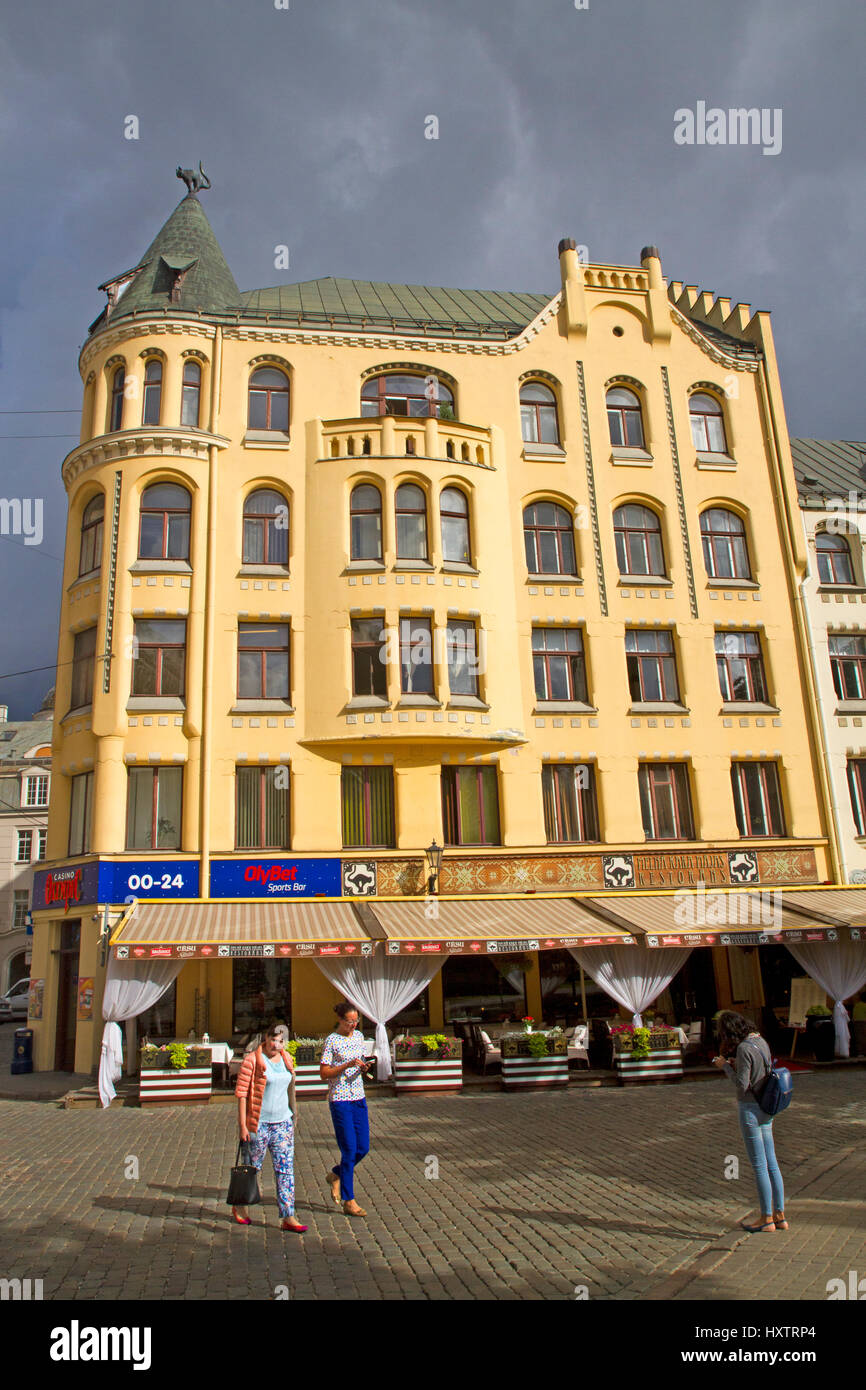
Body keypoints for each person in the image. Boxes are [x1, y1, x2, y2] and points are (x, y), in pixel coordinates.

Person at [712, 1010, 786, 1233]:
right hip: (766, 1107)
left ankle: (765, 1218)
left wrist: (724, 1066)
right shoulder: (760, 1040)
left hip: (750, 1108)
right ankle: (780, 1214)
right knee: (772, 1161)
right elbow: (759, 1069)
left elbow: (742, 1084)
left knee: (759, 1165)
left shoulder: (744, 1048)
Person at [234, 1019, 307, 1233]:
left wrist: (294, 1115)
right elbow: (241, 1094)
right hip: (259, 1124)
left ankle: (288, 1215)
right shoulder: (252, 1061)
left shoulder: (287, 1059)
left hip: (283, 1123)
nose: (276, 1044)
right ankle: (241, 1206)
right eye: (273, 1039)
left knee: (285, 1170)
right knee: (251, 1168)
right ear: (265, 1038)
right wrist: (243, 1126)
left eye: (281, 1040)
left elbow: (290, 1087)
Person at [320, 1002, 372, 1218]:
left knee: (363, 1147)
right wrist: (346, 1065)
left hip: (358, 1097)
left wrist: (363, 1066)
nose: (353, 1025)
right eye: (349, 1021)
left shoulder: (359, 1037)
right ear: (340, 1020)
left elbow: (359, 1062)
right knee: (349, 1149)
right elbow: (324, 1072)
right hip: (340, 1099)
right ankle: (348, 1200)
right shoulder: (332, 1041)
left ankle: (336, 1174)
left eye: (356, 1021)